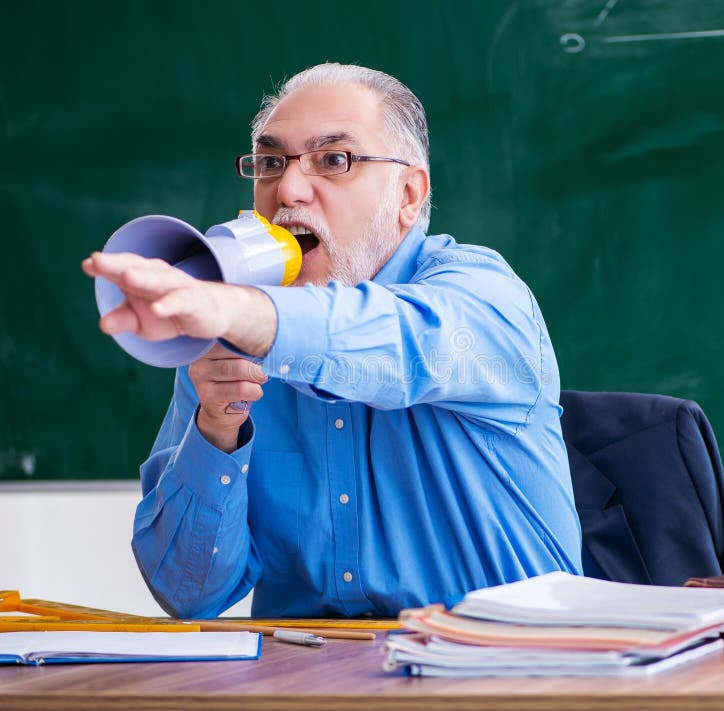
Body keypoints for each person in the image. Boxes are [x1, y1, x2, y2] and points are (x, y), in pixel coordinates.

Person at [82, 63, 582, 619]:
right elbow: (187, 595)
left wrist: (239, 312)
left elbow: (398, 341)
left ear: (408, 195)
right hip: (311, 667)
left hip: (503, 663)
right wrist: (217, 430)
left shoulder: (487, 299)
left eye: (333, 160)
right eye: (271, 163)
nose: (288, 190)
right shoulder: (227, 329)